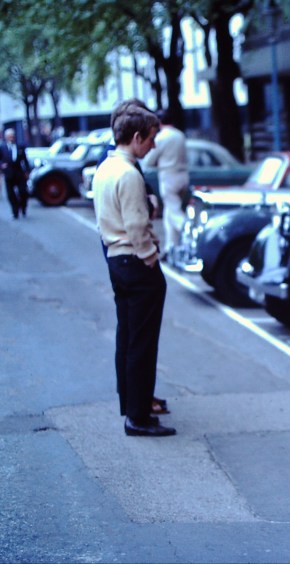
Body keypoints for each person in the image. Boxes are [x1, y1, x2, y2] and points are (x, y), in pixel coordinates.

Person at [92, 101, 175, 437]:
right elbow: (137, 226)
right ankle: (138, 417)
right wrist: (151, 257)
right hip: (136, 262)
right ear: (137, 137)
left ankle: (131, 405)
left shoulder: (105, 168)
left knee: (128, 337)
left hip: (117, 259)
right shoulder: (128, 174)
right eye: (151, 139)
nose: (153, 146)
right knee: (143, 342)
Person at [143, 109, 188, 261]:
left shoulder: (162, 137)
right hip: (183, 175)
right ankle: (171, 247)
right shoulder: (180, 135)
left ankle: (191, 234)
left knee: (174, 213)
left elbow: (149, 160)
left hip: (169, 176)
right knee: (169, 213)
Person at [0, 128, 30, 219]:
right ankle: (15, 211)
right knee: (11, 194)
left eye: (12, 136)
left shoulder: (19, 147)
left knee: (23, 191)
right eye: (9, 137)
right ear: (6, 137)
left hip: (19, 172)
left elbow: (25, 160)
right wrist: (1, 165)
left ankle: (23, 207)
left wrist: (27, 171)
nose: (11, 138)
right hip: (8, 173)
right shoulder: (2, 147)